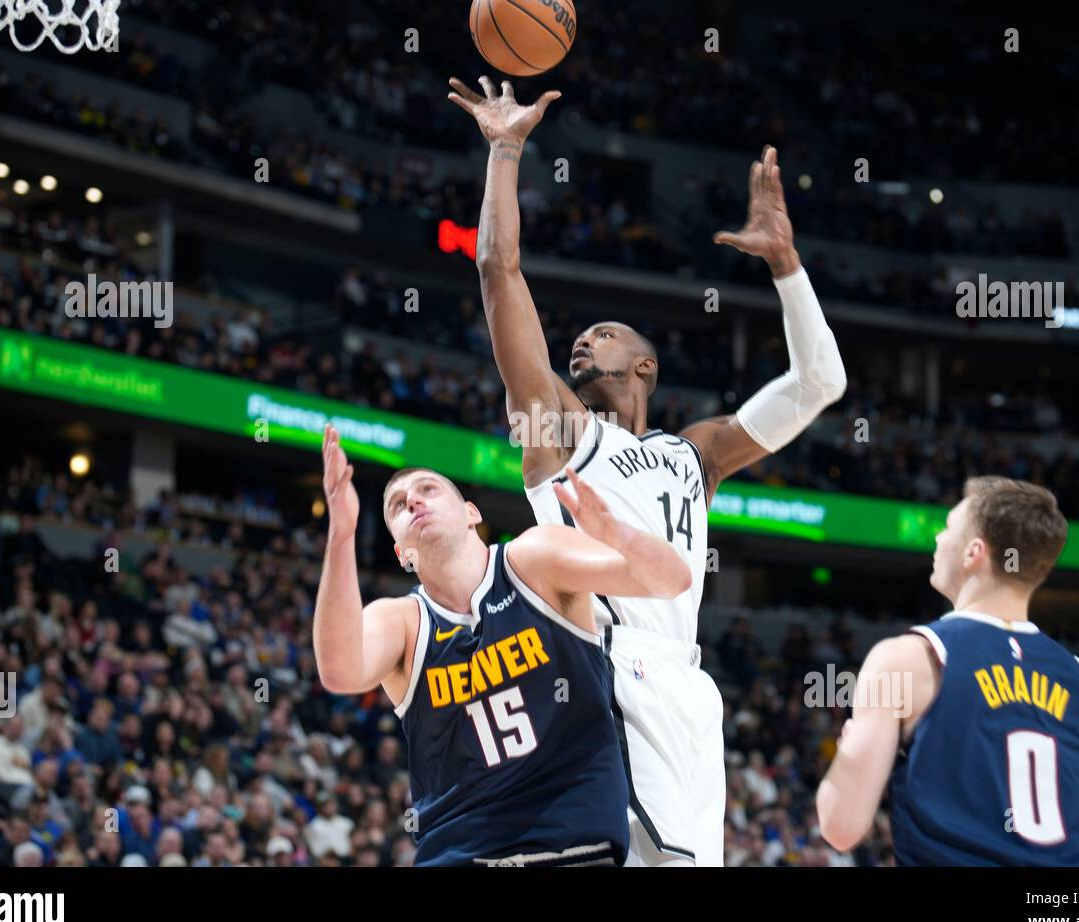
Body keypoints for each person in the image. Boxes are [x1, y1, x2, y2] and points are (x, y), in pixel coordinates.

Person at [447, 77, 847, 865]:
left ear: (645, 364)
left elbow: (820, 384)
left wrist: (788, 267)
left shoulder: (693, 455)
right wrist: (503, 152)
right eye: (579, 339)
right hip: (604, 668)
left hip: (688, 693)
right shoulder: (560, 431)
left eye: (602, 333)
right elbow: (499, 273)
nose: (582, 343)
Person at [312, 425, 692, 866]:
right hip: (457, 856)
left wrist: (615, 532)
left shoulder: (533, 560)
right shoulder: (402, 621)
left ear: (471, 512)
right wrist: (341, 535)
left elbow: (671, 581)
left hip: (570, 849)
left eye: (428, 489)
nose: (413, 500)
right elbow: (338, 671)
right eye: (398, 505)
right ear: (401, 552)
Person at [816, 477, 1079, 865]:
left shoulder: (909, 658)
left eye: (947, 528)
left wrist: (850, 748)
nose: (939, 539)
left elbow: (841, 827)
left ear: (973, 552)